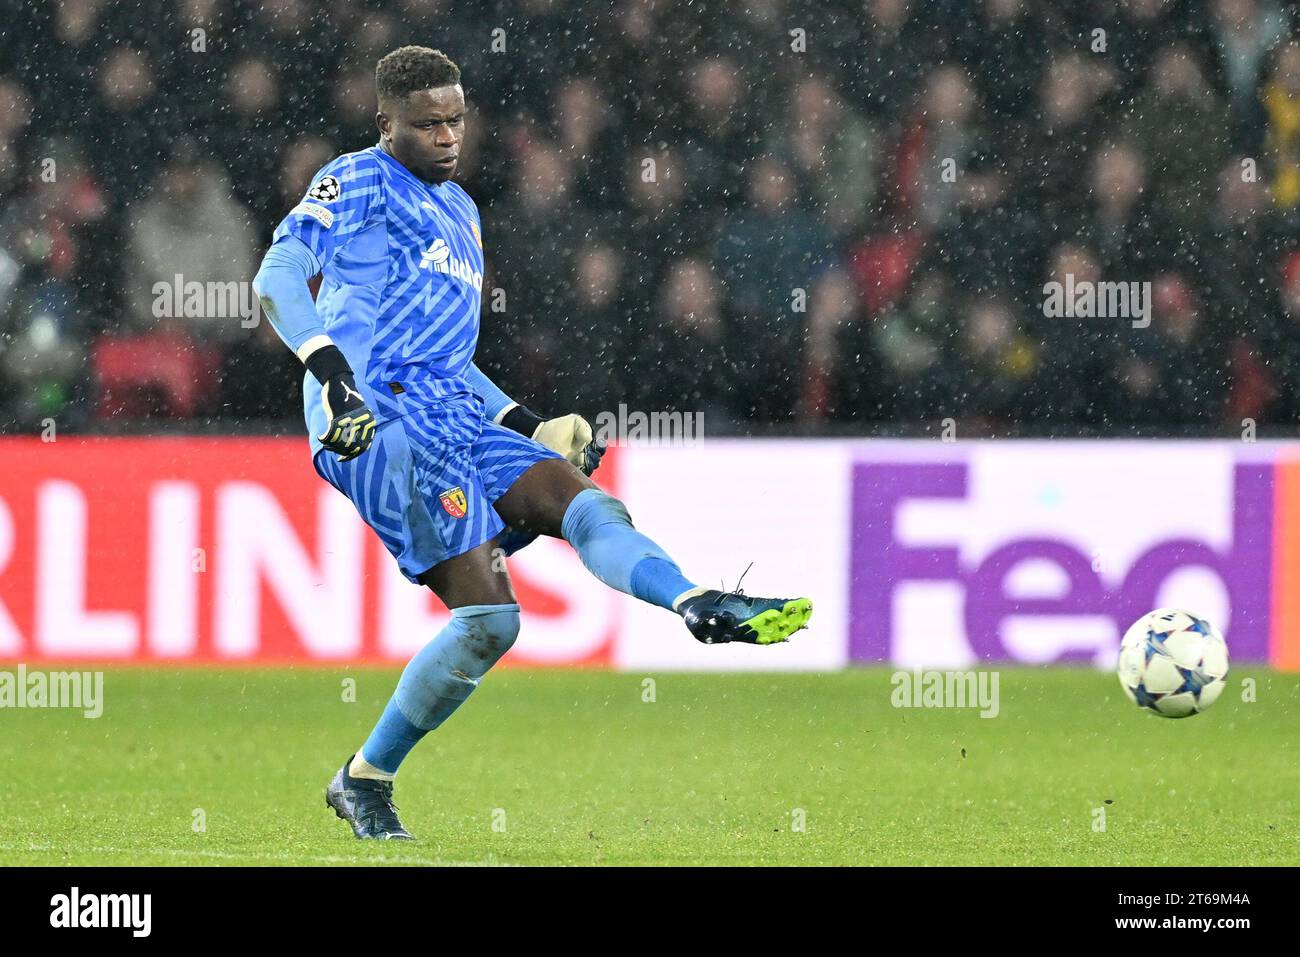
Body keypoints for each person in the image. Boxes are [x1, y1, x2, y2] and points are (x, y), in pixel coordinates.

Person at [251, 46, 813, 841]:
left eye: (456, 120)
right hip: (377, 419)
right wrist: (332, 374)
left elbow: (452, 359)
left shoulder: (464, 214)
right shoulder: (359, 180)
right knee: (491, 617)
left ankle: (693, 599)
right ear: (387, 124)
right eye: (426, 124)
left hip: (450, 408)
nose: (447, 137)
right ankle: (365, 780)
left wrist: (527, 424)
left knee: (583, 503)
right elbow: (277, 275)